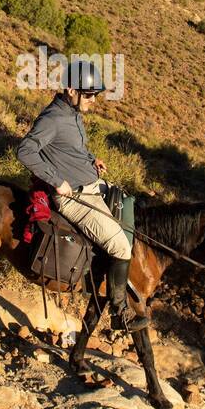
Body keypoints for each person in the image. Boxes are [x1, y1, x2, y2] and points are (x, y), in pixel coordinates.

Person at [16, 57, 145, 332]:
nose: (93, 100)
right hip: (74, 195)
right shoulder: (53, 119)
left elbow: (70, 148)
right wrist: (56, 181)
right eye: (89, 95)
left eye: (95, 95)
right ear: (71, 91)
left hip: (90, 183)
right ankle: (120, 313)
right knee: (121, 246)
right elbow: (25, 150)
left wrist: (90, 159)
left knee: (127, 204)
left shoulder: (72, 115)